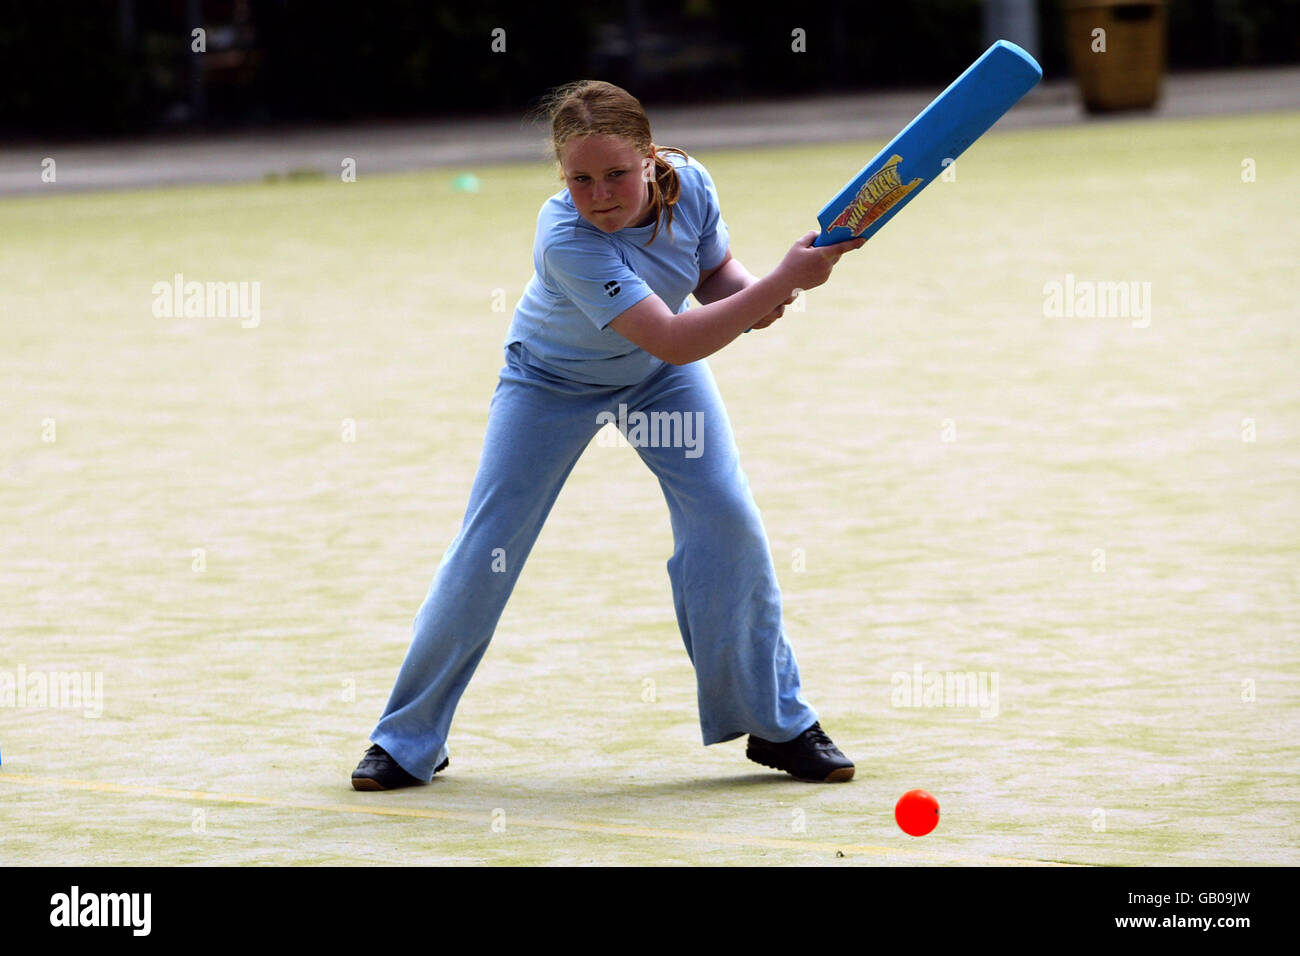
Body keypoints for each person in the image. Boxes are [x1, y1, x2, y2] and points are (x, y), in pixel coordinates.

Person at [352, 80, 866, 791]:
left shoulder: (691, 186)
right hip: (550, 384)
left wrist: (762, 294)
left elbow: (714, 276)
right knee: (488, 550)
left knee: (728, 521)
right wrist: (775, 284)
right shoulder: (565, 236)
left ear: (651, 159)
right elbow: (677, 335)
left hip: (657, 380)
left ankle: (777, 725)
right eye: (580, 179)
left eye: (616, 174)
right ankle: (406, 741)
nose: (599, 194)